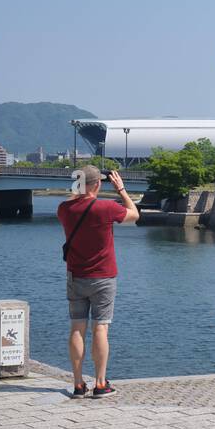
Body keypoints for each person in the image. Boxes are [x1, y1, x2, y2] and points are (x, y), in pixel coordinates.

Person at [58, 165, 139, 399]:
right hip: (103, 277)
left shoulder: (64, 209)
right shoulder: (106, 208)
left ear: (77, 184)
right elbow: (134, 214)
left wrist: (78, 188)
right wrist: (122, 190)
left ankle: (77, 384)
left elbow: (75, 200)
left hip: (75, 276)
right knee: (100, 328)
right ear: (97, 184)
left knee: (77, 327)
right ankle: (101, 383)